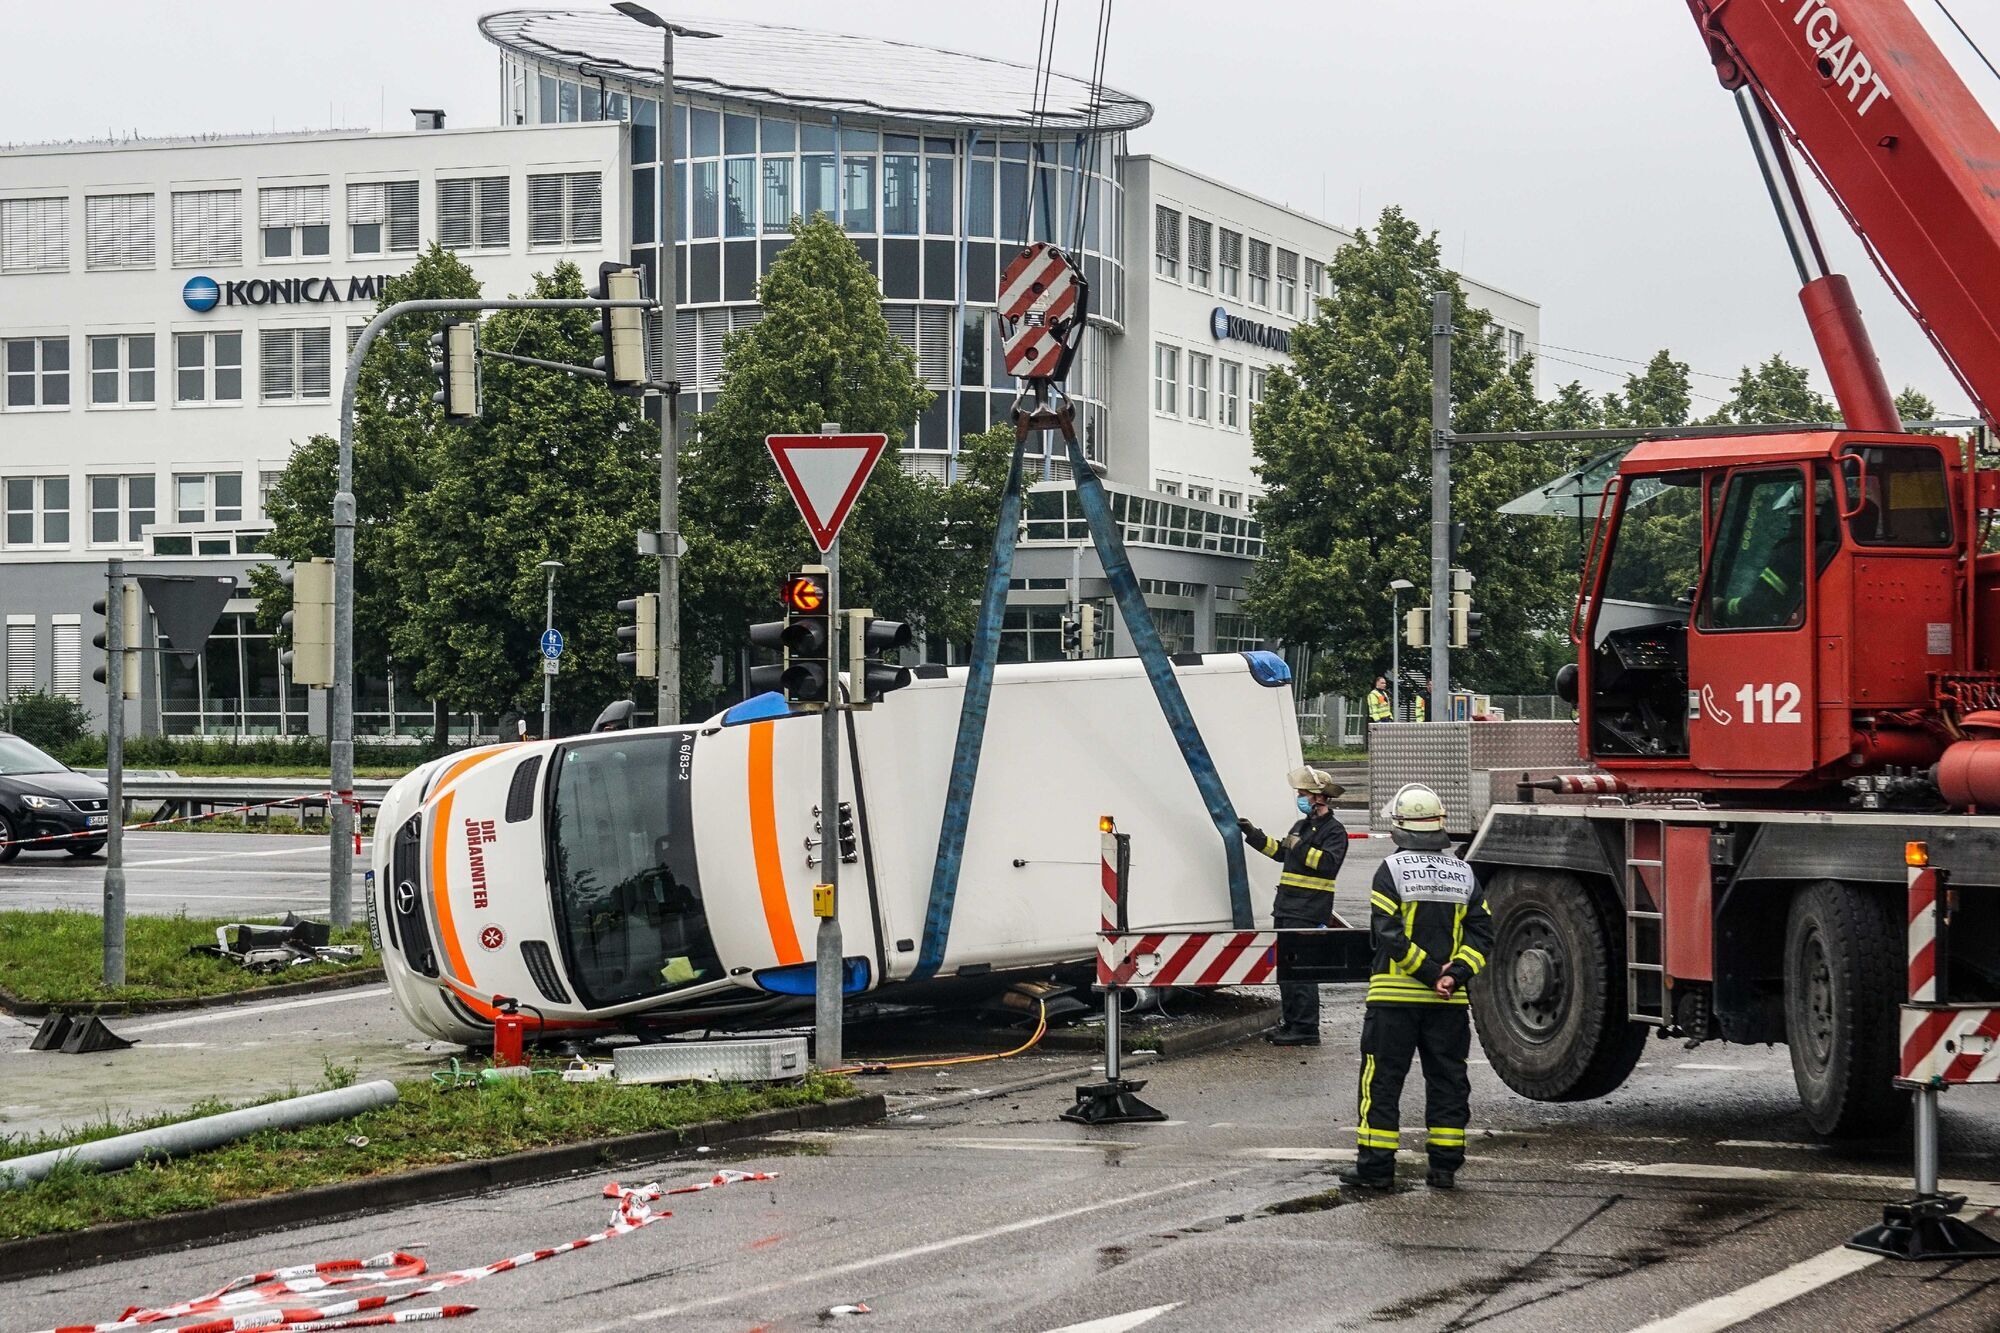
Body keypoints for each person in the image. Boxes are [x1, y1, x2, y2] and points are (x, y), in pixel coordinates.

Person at [1340, 783, 1493, 1192]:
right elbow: (1483, 935)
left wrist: (1427, 972)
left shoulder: (1391, 870)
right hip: (1448, 1003)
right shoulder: (1464, 873)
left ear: (1399, 827)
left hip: (1393, 999)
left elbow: (1388, 933)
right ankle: (1444, 1168)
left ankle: (1376, 1169)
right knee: (1448, 1082)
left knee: (1382, 1083)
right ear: (1439, 825)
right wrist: (1453, 975)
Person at [1237, 765, 1349, 1046]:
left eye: (1303, 794)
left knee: (1303, 973)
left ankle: (1306, 1029)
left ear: (1319, 797)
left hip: (1309, 911)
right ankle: (1292, 1025)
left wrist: (1300, 847)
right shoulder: (1300, 826)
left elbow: (1328, 864)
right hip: (1287, 907)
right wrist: (1253, 834)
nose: (1299, 798)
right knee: (1287, 971)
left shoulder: (1335, 831)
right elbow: (1280, 853)